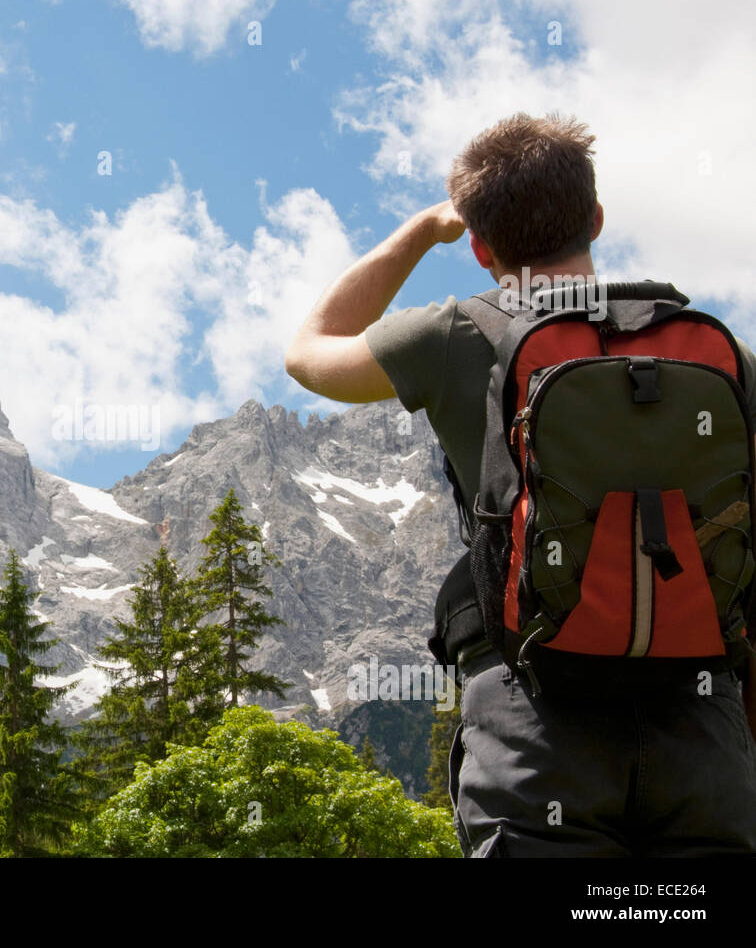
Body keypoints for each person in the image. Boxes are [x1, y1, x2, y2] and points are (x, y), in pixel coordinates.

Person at [285, 112, 756, 856]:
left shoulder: (454, 335)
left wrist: (419, 231)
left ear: (478, 246)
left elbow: (309, 351)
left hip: (534, 721)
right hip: (701, 725)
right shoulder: (712, 353)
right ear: (596, 218)